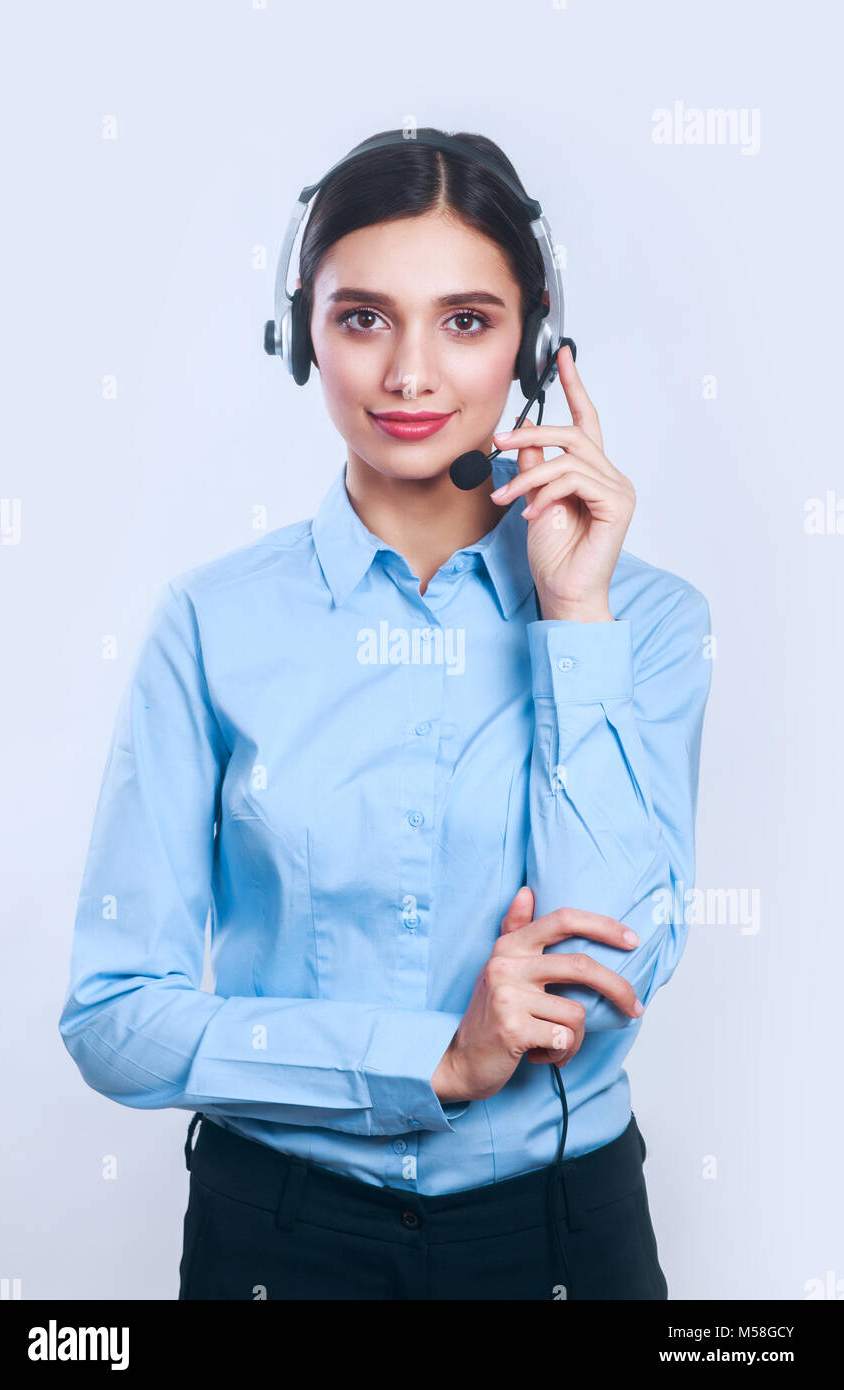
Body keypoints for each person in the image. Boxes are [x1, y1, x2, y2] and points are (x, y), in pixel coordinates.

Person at [59, 127, 713, 1301]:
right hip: (279, 1238)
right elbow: (113, 1017)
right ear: (299, 333)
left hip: (561, 1239)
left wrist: (573, 617)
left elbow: (605, 979)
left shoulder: (644, 622)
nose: (410, 374)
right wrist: (429, 1060)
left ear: (535, 340)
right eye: (363, 317)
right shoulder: (209, 623)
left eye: (464, 320)